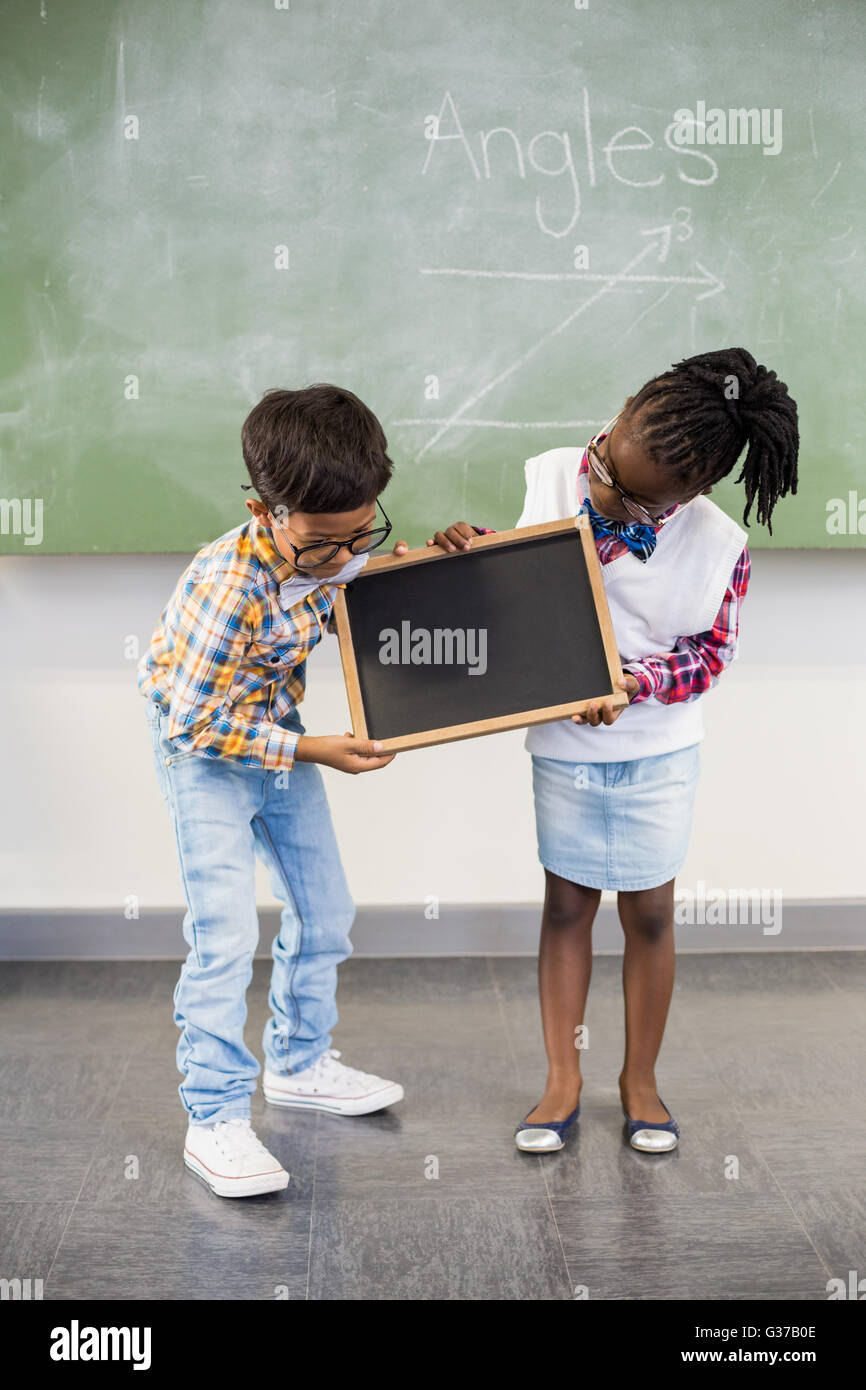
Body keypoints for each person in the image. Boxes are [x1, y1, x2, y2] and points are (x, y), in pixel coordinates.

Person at [429, 348, 799, 1154]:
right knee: (566, 906)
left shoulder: (718, 544)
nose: (598, 486)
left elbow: (709, 655)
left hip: (659, 750)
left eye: (626, 494)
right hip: (562, 743)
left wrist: (634, 682)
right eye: (605, 459)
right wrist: (473, 549)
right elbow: (527, 573)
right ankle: (563, 1079)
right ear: (623, 410)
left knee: (652, 912)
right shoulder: (556, 472)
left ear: (692, 491)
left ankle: (640, 1081)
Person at [138, 385, 406, 1197]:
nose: (350, 554)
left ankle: (297, 1062)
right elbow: (192, 724)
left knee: (325, 909)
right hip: (206, 751)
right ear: (265, 510)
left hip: (278, 733)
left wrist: (434, 561)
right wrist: (312, 748)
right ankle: (215, 1117)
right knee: (222, 936)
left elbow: (357, 588)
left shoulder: (333, 544)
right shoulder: (230, 586)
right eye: (330, 544)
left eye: (367, 531)